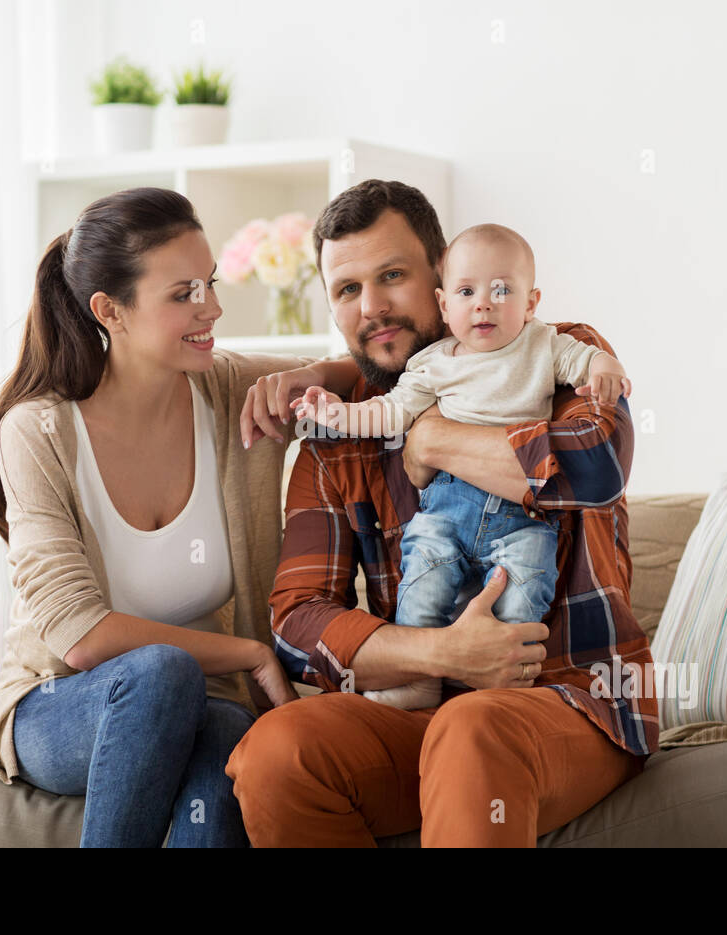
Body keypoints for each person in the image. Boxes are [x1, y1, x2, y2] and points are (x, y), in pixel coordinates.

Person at [226, 179, 661, 847]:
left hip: (572, 700)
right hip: (420, 711)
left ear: (441, 277)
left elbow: (597, 464)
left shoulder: (547, 353)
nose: (372, 306)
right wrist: (442, 652)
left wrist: (431, 438)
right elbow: (297, 622)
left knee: (474, 728)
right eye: (347, 290)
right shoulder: (339, 434)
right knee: (277, 750)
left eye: (391, 276)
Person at [0, 187, 359, 847]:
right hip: (60, 705)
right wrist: (248, 653)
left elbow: (376, 376)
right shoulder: (37, 431)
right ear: (109, 311)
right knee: (165, 674)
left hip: (209, 704)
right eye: (183, 294)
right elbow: (79, 635)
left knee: (230, 737)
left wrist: (315, 372)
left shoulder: (231, 391)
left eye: (208, 283)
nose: (212, 307)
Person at [293, 221, 632, 709]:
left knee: (522, 593)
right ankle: (418, 679)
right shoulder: (431, 364)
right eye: (467, 292)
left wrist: (606, 371)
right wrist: (336, 412)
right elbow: (390, 411)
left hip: (525, 524)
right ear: (446, 301)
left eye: (502, 290)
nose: (484, 304)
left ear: (531, 302)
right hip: (446, 513)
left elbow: (598, 464)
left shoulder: (545, 345)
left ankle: (505, 689)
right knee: (423, 578)